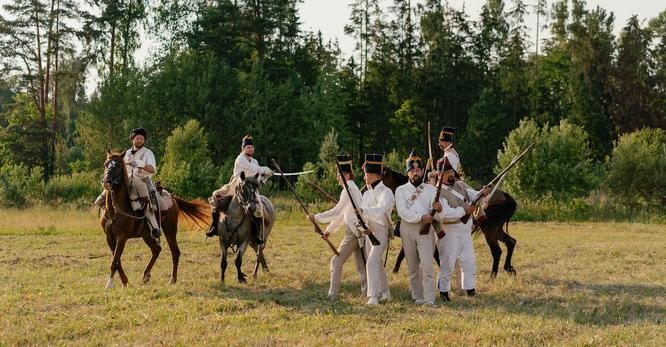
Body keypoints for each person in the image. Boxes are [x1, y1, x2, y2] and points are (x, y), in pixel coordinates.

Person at [307, 154, 367, 300]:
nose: (337, 178)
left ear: (346, 175)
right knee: (362, 266)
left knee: (336, 262)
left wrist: (316, 217)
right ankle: (367, 293)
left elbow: (336, 212)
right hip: (357, 230)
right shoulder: (350, 188)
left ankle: (332, 295)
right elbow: (342, 215)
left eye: (339, 175)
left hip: (354, 232)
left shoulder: (349, 189)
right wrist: (329, 230)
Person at [394, 150, 448, 306]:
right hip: (407, 228)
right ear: (408, 173)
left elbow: (440, 215)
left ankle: (429, 298)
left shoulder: (431, 189)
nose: (415, 173)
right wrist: (420, 217)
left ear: (423, 171)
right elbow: (403, 212)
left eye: (418, 170)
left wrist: (439, 208)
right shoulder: (400, 190)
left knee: (427, 265)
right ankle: (417, 296)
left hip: (426, 229)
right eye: (412, 170)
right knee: (412, 266)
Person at [436, 158, 490, 302]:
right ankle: (443, 292)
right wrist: (464, 210)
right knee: (447, 262)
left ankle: (470, 289)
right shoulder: (437, 191)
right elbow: (445, 214)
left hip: (466, 230)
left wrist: (482, 193)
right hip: (450, 230)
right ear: (439, 174)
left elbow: (473, 195)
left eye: (451, 170)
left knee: (469, 260)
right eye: (446, 171)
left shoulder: (460, 184)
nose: (450, 173)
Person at [94, 127, 161, 240]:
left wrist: (139, 164)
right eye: (137, 138)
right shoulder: (127, 153)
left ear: (144, 140)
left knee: (145, 203)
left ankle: (154, 228)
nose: (139, 140)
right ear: (132, 139)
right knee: (100, 200)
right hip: (124, 181)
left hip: (141, 180)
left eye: (141, 138)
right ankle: (110, 220)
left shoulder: (148, 153)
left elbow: (152, 169)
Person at [206, 135, 273, 244]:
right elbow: (253, 169)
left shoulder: (255, 161)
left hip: (250, 188)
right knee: (215, 195)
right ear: (243, 149)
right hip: (235, 185)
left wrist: (265, 176)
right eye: (248, 147)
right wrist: (264, 169)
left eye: (252, 147)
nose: (250, 149)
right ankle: (214, 226)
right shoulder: (240, 159)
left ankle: (256, 235)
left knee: (258, 208)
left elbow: (257, 176)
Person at [358, 153, 394, 305]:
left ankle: (372, 297)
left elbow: (379, 210)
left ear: (373, 175)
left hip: (380, 231)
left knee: (372, 262)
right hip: (368, 232)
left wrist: (361, 210)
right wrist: (362, 228)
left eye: (366, 175)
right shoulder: (366, 194)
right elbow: (361, 219)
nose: (365, 177)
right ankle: (385, 292)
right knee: (377, 263)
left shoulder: (387, 192)